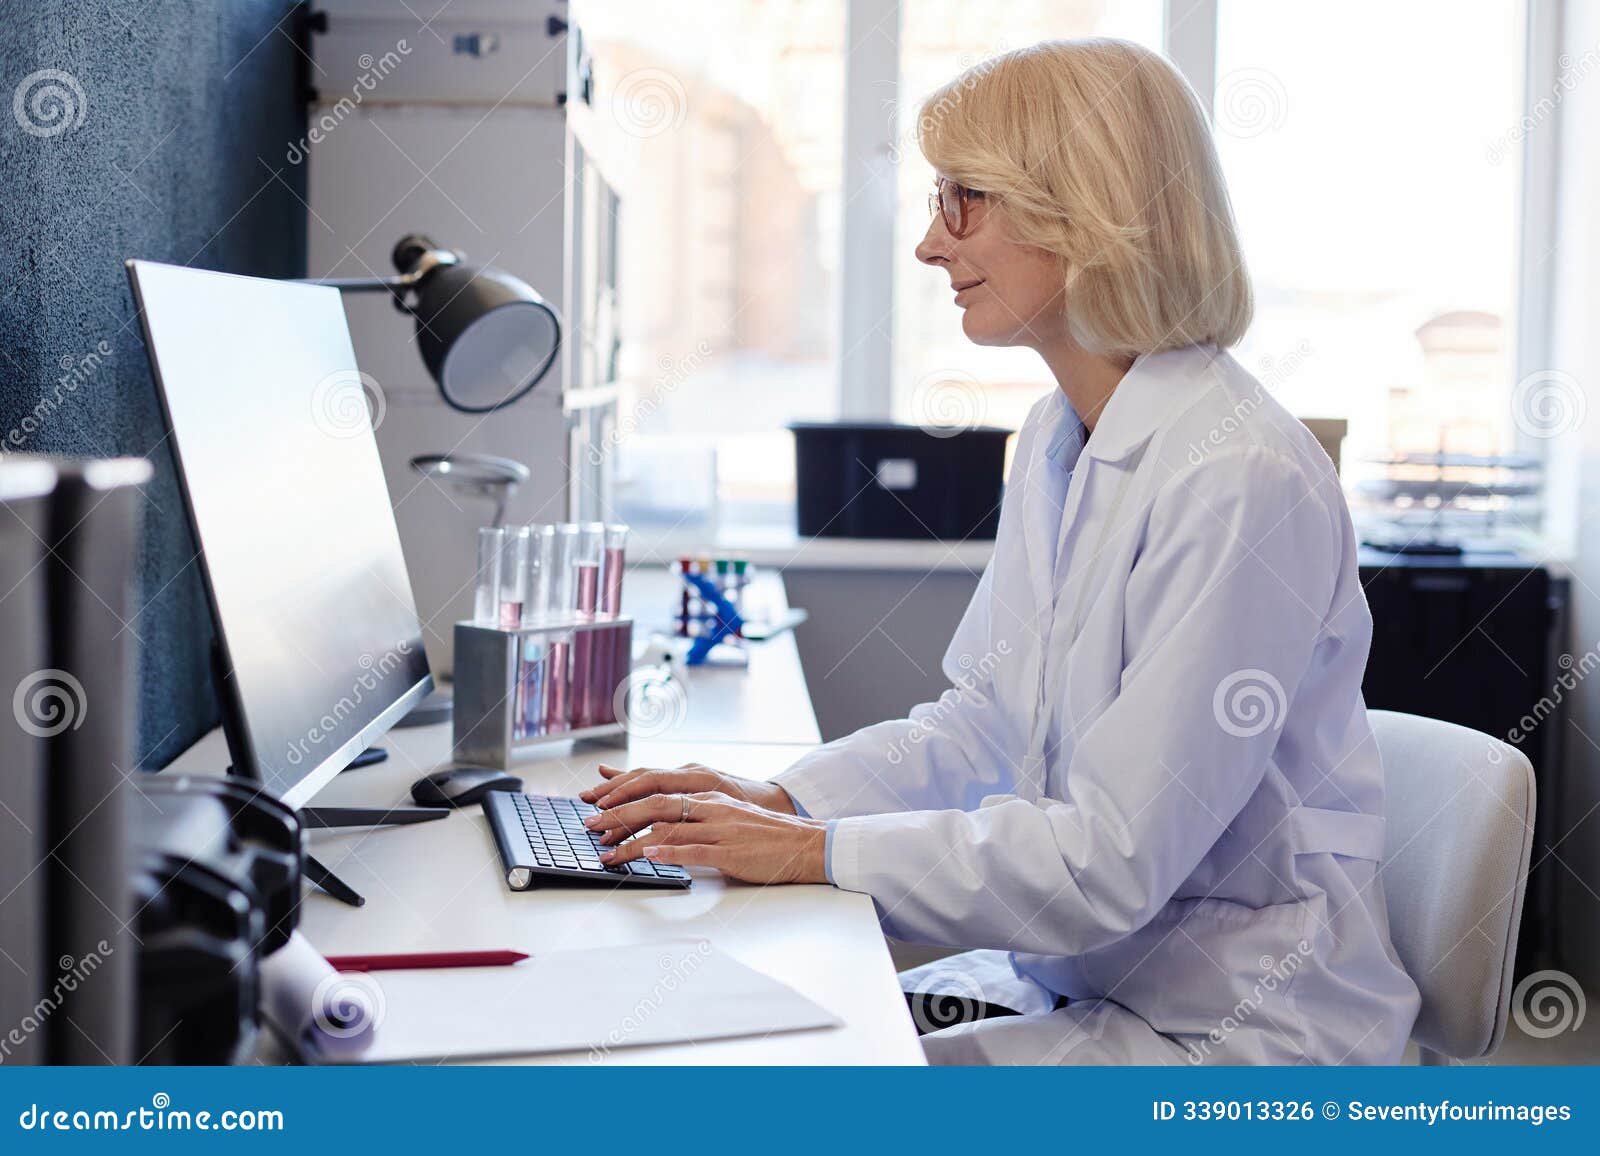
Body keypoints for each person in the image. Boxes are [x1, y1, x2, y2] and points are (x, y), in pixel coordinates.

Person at [580, 37, 1420, 1065]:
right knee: (746, 1034)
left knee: (793, 1082)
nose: (931, 245)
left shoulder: (1238, 475)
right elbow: (984, 720)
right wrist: (787, 801)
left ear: (1087, 210)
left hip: (1234, 1028)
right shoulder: (1060, 434)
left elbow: (1112, 859)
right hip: (1090, 979)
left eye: (965, 198)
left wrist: (815, 851)